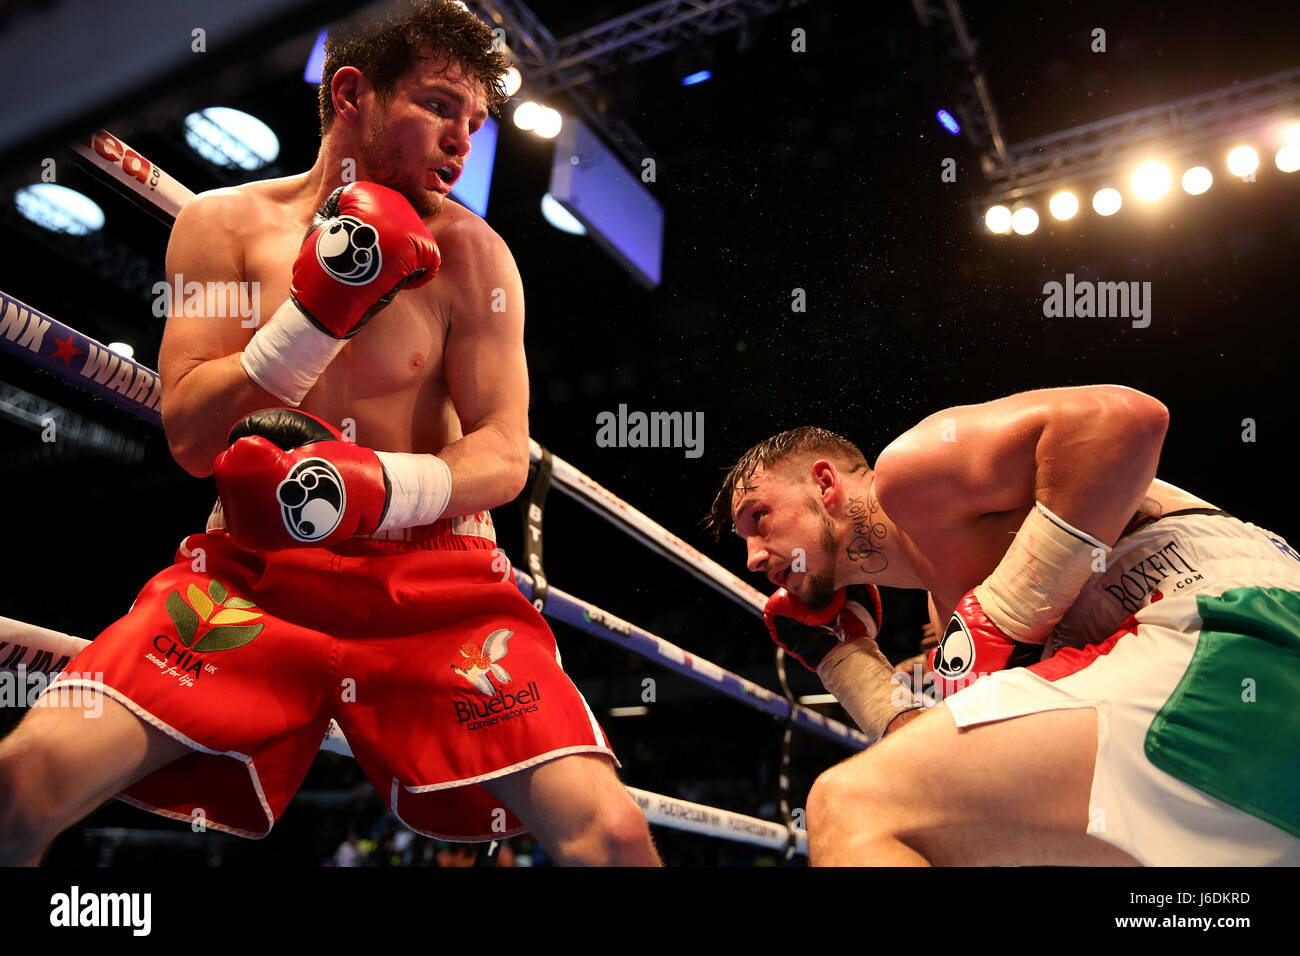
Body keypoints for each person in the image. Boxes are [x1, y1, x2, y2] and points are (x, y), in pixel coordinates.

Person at [0, 0, 657, 866]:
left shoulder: (474, 255)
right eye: (436, 106)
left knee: (610, 834)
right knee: (22, 784)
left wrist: (376, 486)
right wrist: (316, 315)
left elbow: (503, 452)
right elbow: (195, 439)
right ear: (352, 91)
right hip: (255, 577)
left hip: (436, 583)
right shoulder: (222, 226)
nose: (463, 140)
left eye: (474, 121)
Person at [707, 384, 1300, 865]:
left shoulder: (910, 476)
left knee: (848, 805)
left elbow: (1124, 420)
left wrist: (1009, 609)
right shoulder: (949, 612)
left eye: (759, 517)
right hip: (1221, 725)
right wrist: (848, 661)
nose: (755, 557)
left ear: (824, 482)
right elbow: (933, 759)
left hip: (1228, 627)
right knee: (956, 833)